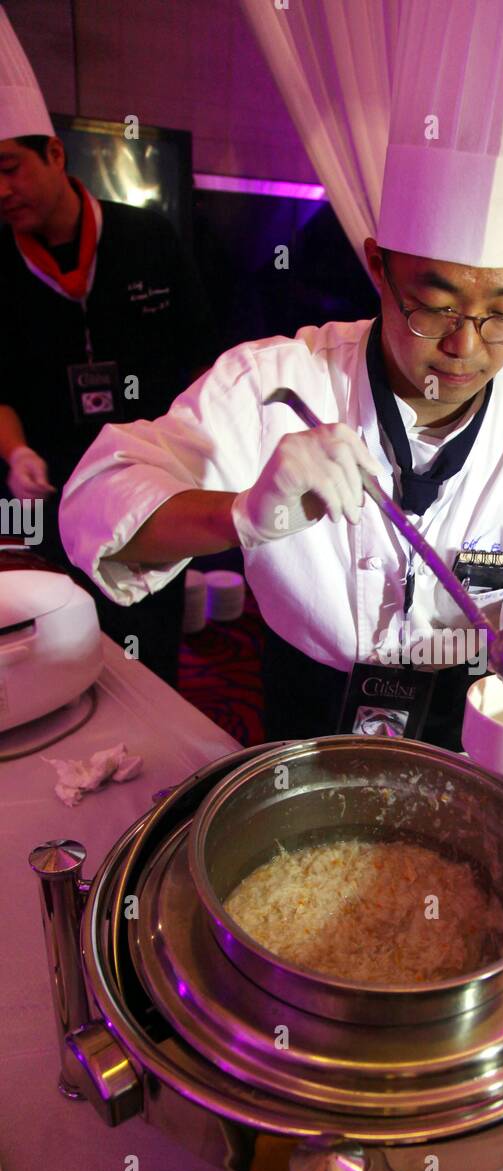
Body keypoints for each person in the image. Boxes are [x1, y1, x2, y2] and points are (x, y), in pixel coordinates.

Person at [59, 0, 503, 749]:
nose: (465, 346)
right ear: (377, 267)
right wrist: (239, 516)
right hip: (304, 705)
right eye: (433, 304)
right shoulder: (274, 381)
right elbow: (96, 503)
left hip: (466, 723)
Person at [0, 8, 217, 685]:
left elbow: (204, 359)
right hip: (51, 485)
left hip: (147, 480)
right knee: (59, 652)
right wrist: (16, 451)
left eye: (9, 168)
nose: (0, 192)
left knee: (148, 646)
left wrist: (203, 456)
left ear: (55, 155)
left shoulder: (146, 236)